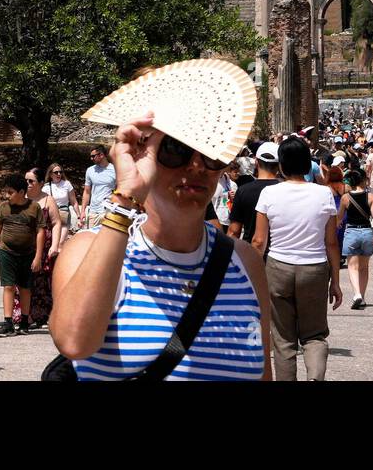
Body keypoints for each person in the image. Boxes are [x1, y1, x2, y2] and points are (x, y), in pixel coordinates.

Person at [52, 59, 272, 380]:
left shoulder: (244, 262)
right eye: (176, 147)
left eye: (209, 149)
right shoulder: (88, 250)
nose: (196, 165)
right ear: (143, 151)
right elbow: (73, 341)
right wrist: (127, 193)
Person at [253, 136, 342, 380]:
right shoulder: (324, 194)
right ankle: (314, 377)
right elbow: (331, 242)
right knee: (314, 335)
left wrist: (252, 276)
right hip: (314, 268)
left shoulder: (269, 195)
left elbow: (259, 241)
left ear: (281, 163)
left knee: (283, 339)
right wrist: (335, 280)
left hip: (278, 267)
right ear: (307, 163)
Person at [0, 174, 46, 337]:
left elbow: (40, 231)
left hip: (28, 253)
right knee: (8, 286)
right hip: (7, 252)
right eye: (5, 192)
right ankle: (8, 323)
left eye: (10, 192)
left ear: (21, 192)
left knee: (25, 288)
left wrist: (38, 256)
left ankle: (25, 322)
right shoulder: (4, 207)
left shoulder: (34, 207)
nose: (7, 195)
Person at [25, 167, 65, 329]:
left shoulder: (48, 200)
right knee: (24, 281)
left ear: (41, 183)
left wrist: (55, 245)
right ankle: (24, 315)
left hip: (45, 246)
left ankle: (41, 315)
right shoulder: (21, 198)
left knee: (42, 281)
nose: (27, 184)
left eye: (31, 181)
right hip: (24, 246)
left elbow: (56, 223)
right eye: (25, 181)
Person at [228, 142, 280, 246]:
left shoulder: (243, 191)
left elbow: (234, 232)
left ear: (256, 161)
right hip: (279, 256)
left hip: (251, 252)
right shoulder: (286, 189)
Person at [337, 170, 373, 309]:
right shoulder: (370, 196)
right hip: (366, 232)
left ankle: (357, 294)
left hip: (351, 232)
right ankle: (362, 297)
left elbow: (339, 217)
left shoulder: (345, 198)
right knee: (364, 267)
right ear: (363, 180)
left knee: (352, 266)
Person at [80, 146, 117, 229]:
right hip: (93, 211)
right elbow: (86, 192)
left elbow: (119, 191)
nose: (91, 158)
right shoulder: (90, 170)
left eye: (93, 156)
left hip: (107, 211)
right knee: (90, 239)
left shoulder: (115, 170)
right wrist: (82, 211)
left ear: (101, 155)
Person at [42, 162, 79, 235]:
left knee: (61, 241)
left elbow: (74, 202)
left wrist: (79, 216)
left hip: (64, 215)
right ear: (50, 174)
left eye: (60, 172)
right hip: (52, 217)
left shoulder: (67, 184)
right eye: (56, 172)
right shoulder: (46, 187)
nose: (59, 174)